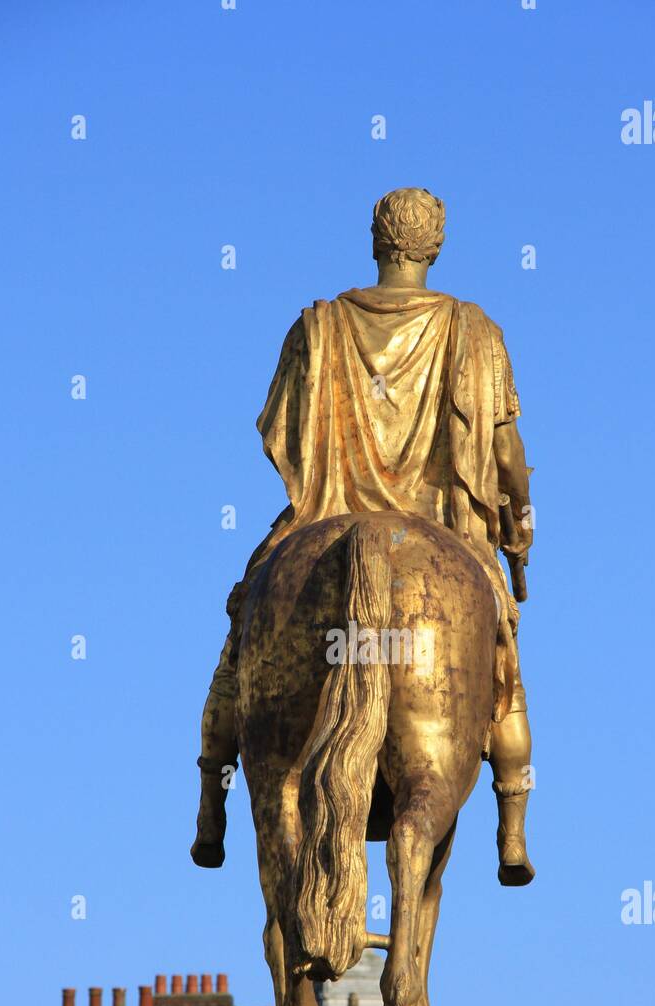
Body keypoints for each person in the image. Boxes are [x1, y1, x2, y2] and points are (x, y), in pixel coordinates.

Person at [192, 187, 535, 886]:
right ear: (435, 246)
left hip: (320, 520)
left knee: (243, 625)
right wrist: (518, 527)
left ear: (376, 240)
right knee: (501, 663)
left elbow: (284, 439)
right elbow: (506, 458)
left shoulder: (317, 327)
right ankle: (513, 819)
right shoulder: (476, 333)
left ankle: (209, 796)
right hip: (444, 534)